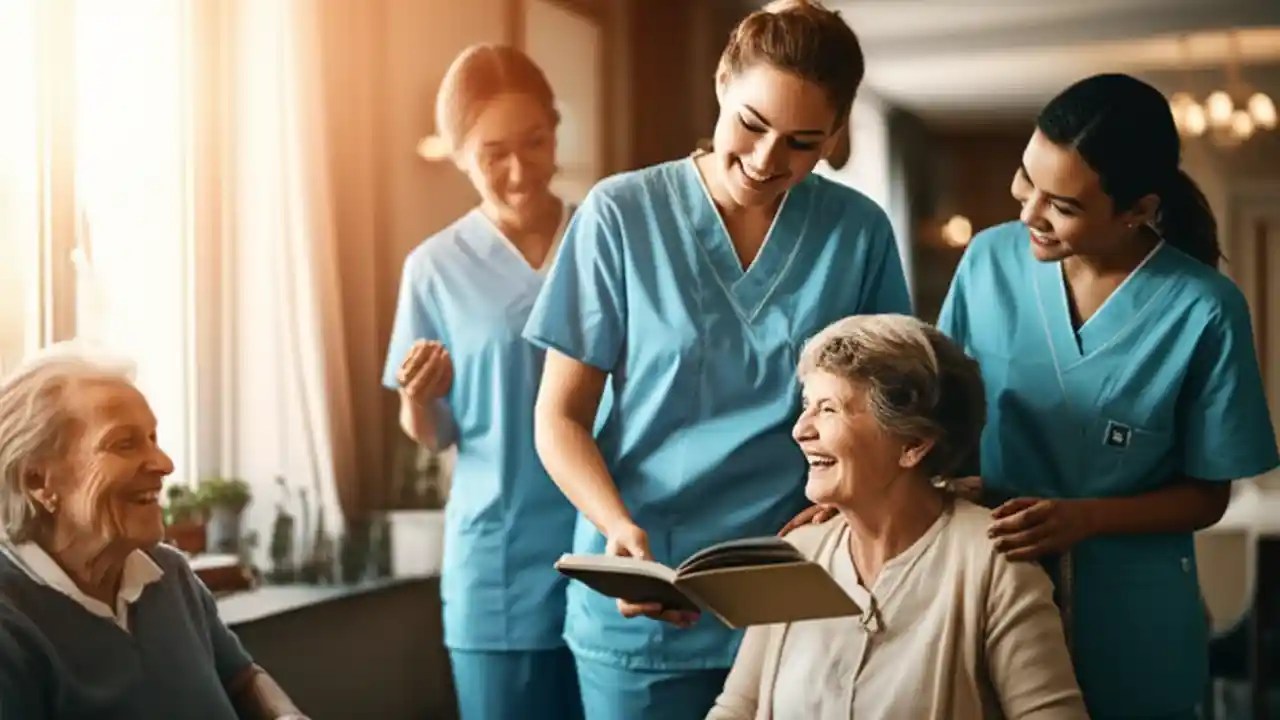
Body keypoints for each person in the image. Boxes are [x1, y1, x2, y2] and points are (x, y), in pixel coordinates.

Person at [777, 73, 1279, 718]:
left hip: (1130, 618)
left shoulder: (1205, 311)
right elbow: (935, 425)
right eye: (1025, 181)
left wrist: (1085, 518)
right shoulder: (989, 260)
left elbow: (1209, 496)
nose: (1027, 214)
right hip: (983, 584)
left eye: (1062, 206)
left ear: (1138, 210)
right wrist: (862, 498)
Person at [522, 1, 911, 716]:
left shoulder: (858, 234)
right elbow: (559, 418)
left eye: (802, 142)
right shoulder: (619, 216)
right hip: (646, 600)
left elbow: (886, 414)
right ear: (722, 82)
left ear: (835, 136)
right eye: (752, 125)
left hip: (798, 591)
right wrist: (617, 530)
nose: (767, 162)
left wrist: (845, 504)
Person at [706, 314, 1087, 720]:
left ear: (913, 444)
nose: (801, 429)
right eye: (806, 406)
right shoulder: (796, 554)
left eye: (829, 409)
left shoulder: (995, 562)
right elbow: (736, 710)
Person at [381, 44, 582, 720]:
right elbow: (434, 436)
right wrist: (419, 395)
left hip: (607, 542)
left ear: (557, 132)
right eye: (494, 152)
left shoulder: (602, 238)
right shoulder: (433, 268)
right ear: (459, 152)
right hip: (499, 559)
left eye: (536, 142)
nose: (520, 170)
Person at [0, 346, 306, 719]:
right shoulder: (11, 618)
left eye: (153, 438)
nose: (164, 464)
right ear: (37, 480)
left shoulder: (168, 572)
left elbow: (241, 677)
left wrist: (285, 716)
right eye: (124, 444)